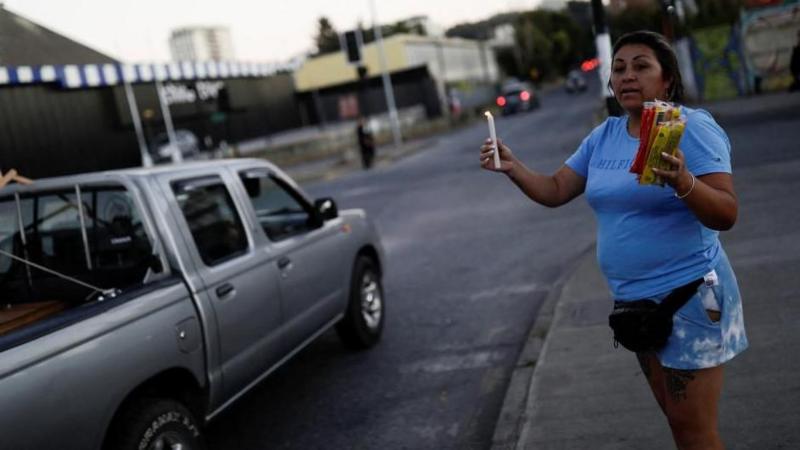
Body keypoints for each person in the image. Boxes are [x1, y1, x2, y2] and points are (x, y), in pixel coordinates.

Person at [479, 30, 747, 450]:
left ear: (667, 80)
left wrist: (683, 181)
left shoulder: (690, 128)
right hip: (636, 305)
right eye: (619, 69)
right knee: (679, 425)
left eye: (641, 66)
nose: (627, 76)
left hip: (691, 295)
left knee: (693, 432)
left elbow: (727, 213)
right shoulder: (604, 135)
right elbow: (555, 189)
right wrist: (513, 168)